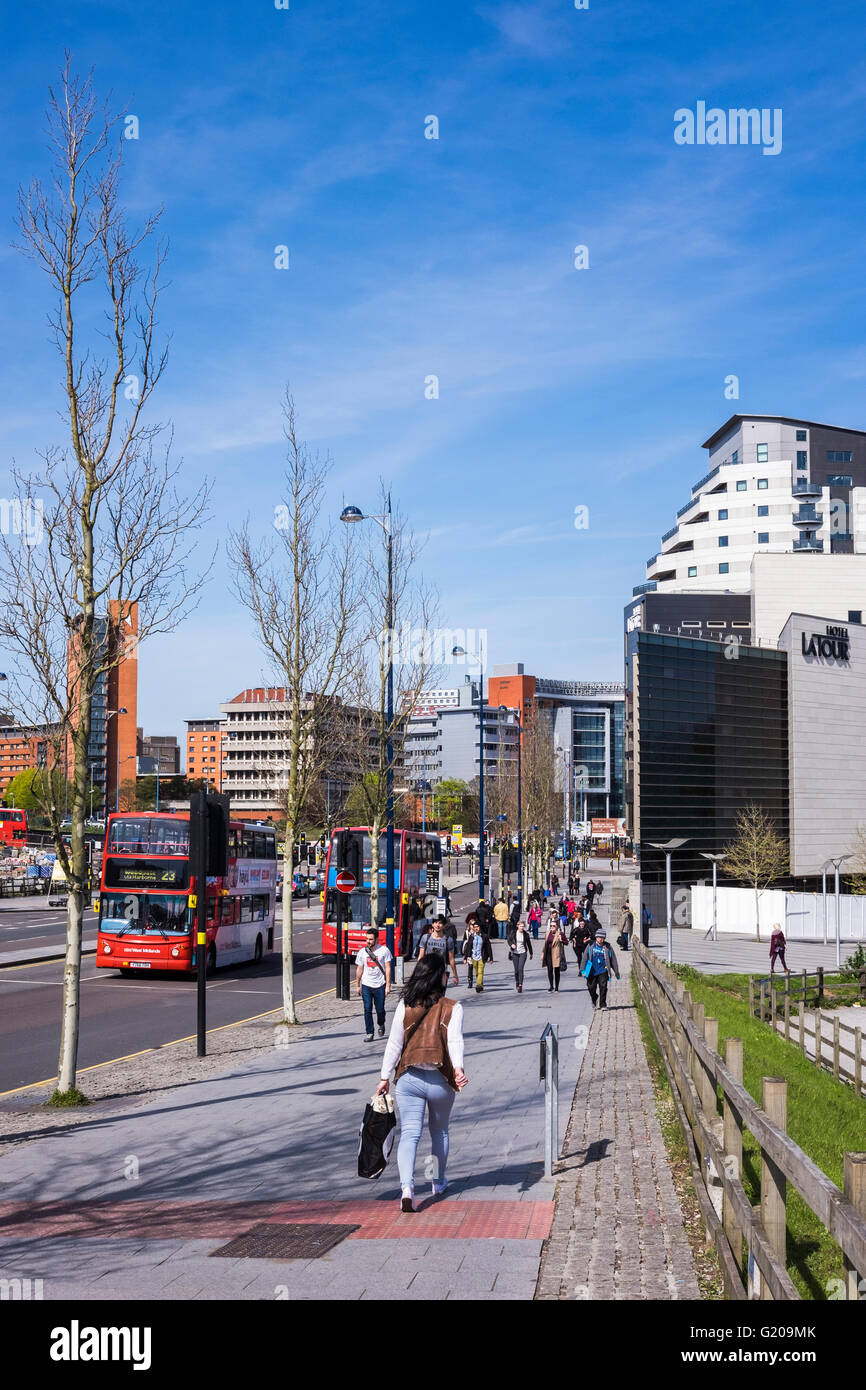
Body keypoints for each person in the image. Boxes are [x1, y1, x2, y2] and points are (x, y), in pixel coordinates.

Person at [377, 955, 468, 1212]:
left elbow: (394, 1044)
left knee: (410, 1134)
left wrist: (384, 1077)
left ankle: (407, 1188)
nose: (448, 977)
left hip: (409, 1078)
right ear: (439, 976)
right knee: (439, 1132)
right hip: (440, 1080)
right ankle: (437, 1183)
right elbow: (455, 1042)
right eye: (446, 973)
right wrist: (458, 1069)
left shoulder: (405, 1005)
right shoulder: (453, 1007)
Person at [355, 926, 393, 1041]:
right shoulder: (362, 952)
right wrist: (357, 985)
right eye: (367, 939)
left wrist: (387, 985)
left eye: (371, 939)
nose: (368, 941)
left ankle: (381, 1024)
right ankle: (369, 1033)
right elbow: (359, 968)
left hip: (380, 984)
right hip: (366, 984)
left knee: (380, 1009)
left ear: (376, 939)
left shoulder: (384, 951)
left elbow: (388, 968)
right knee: (367, 1008)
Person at [580, 927, 620, 1011]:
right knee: (591, 987)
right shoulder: (590, 946)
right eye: (598, 937)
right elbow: (584, 958)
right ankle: (594, 998)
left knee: (603, 987)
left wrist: (616, 971)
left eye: (602, 938)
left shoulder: (607, 946)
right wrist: (582, 969)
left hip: (603, 970)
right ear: (596, 937)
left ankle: (603, 1004)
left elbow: (613, 959)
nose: (600, 939)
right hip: (592, 970)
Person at [418, 916, 459, 986]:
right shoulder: (425, 938)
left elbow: (451, 959)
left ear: (443, 925)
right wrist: (418, 973)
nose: (437, 925)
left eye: (440, 923)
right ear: (432, 924)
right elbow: (420, 956)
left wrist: (455, 975)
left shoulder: (448, 940)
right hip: (428, 972)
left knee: (440, 996)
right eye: (436, 922)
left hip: (442, 973)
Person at [542, 913, 568, 992]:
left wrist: (561, 940)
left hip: (556, 954)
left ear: (557, 927)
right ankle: (551, 986)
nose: (552, 927)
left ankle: (556, 987)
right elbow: (545, 944)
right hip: (548, 953)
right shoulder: (547, 933)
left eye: (553, 926)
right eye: (551, 926)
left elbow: (566, 942)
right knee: (549, 970)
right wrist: (543, 953)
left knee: (556, 971)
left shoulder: (560, 934)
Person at [507, 914, 533, 991]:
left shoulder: (526, 934)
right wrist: (511, 945)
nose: (522, 928)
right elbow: (509, 940)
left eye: (523, 926)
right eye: (520, 926)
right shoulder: (513, 932)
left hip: (523, 953)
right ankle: (517, 981)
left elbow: (529, 944)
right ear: (517, 926)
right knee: (516, 970)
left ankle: (521, 985)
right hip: (515, 953)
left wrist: (531, 953)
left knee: (520, 968)